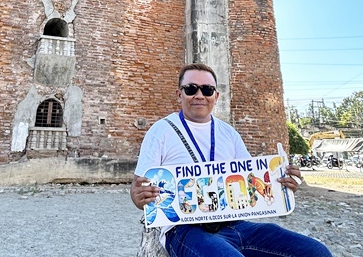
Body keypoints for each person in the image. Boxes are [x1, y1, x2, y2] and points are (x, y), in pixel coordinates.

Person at [130, 63, 332, 257]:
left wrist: (283, 185)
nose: (199, 95)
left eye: (207, 90)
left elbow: (252, 180)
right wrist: (139, 196)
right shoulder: (161, 131)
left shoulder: (229, 134)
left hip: (234, 224)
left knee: (317, 252)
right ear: (179, 94)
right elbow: (138, 187)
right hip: (184, 229)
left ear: (216, 96)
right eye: (191, 89)